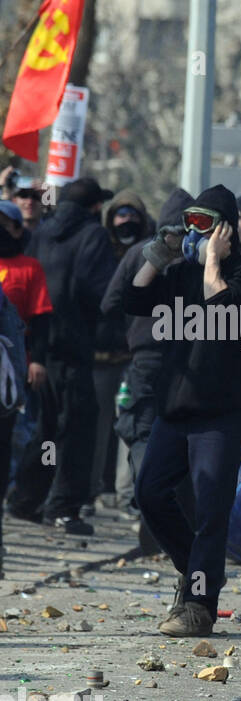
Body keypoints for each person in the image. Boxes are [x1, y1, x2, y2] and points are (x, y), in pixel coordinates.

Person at [123, 184, 241, 636]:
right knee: (149, 493)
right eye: (190, 225)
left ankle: (198, 605)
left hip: (220, 415)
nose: (195, 234)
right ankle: (199, 571)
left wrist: (214, 260)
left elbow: (221, 308)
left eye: (205, 225)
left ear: (226, 231)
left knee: (210, 505)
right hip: (174, 409)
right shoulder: (180, 273)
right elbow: (131, 300)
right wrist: (157, 256)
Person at [8, 177, 117, 535]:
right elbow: (101, 292)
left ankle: (26, 498)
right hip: (74, 346)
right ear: (96, 207)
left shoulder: (42, 232)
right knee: (77, 428)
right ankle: (63, 506)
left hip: (39, 347)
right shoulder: (94, 236)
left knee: (50, 428)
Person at [101, 187, 191, 530]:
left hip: (145, 360)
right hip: (185, 363)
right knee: (175, 435)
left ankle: (148, 502)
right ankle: (169, 509)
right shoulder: (198, 258)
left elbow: (109, 304)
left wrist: (136, 324)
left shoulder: (139, 253)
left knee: (140, 432)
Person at [0, 201, 54, 573]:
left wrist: (36, 360)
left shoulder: (29, 268)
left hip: (11, 378)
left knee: (19, 443)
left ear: (19, 231)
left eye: (6, 225)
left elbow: (40, 319)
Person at [92, 191, 152, 512]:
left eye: (133, 213)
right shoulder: (101, 251)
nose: (126, 219)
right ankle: (98, 491)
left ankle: (127, 493)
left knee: (129, 426)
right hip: (102, 357)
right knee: (100, 426)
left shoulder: (152, 254)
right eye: (120, 213)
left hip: (135, 359)